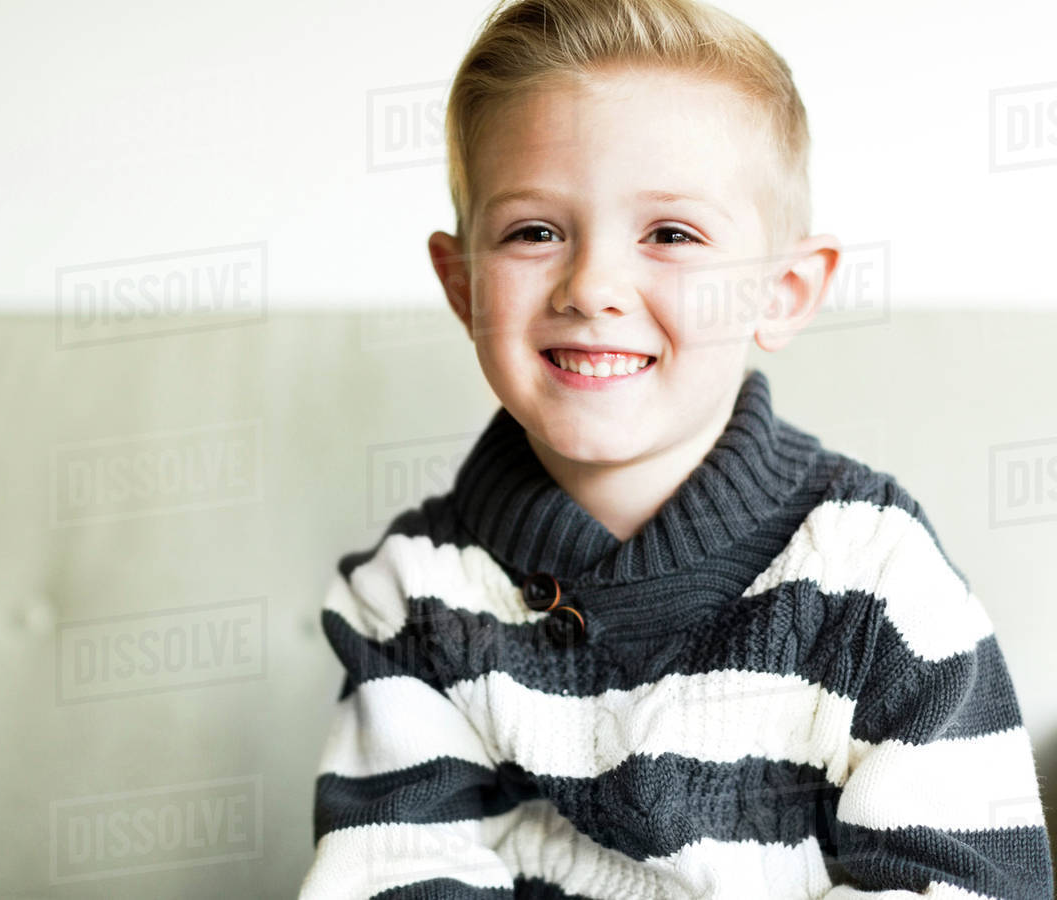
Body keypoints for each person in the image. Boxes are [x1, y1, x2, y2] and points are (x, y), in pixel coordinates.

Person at [300, 0, 1055, 896]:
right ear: (463, 286)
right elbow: (395, 872)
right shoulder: (413, 598)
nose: (592, 287)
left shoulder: (874, 575)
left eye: (671, 234)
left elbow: (966, 880)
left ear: (780, 292)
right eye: (535, 232)